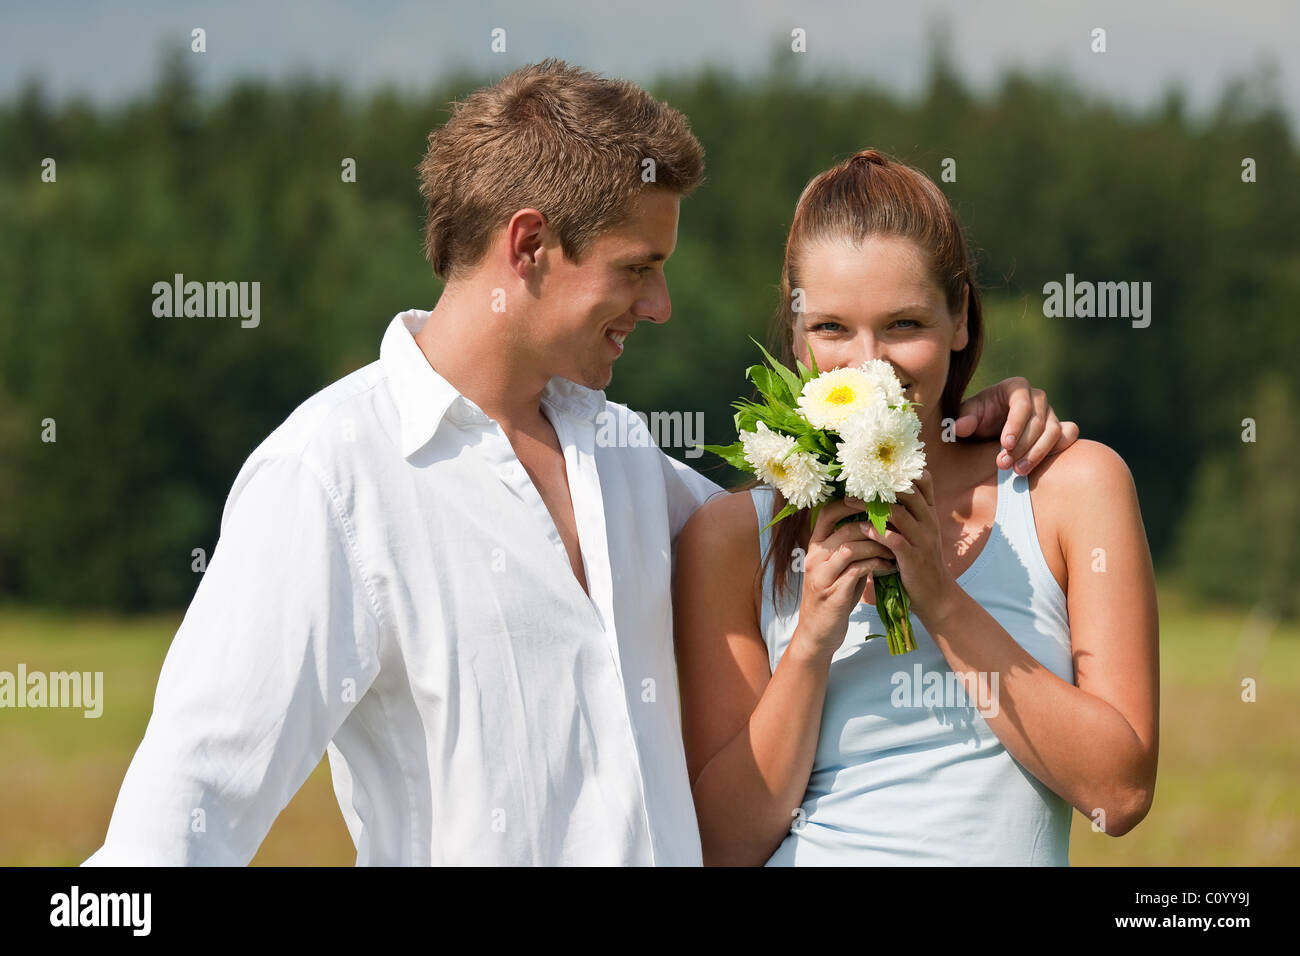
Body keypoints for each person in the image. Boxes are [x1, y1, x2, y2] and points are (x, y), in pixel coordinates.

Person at [84, 64, 1078, 866]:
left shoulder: (626, 460)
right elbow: (187, 808)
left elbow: (817, 501)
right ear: (528, 247)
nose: (659, 306)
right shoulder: (330, 475)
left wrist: (967, 429)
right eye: (636, 269)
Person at [674, 149, 1158, 866]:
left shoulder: (1070, 488)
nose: (870, 363)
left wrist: (939, 598)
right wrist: (810, 643)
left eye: (904, 325)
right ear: (795, 331)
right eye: (833, 328)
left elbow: (1118, 795)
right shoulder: (732, 535)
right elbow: (721, 848)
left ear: (961, 317)